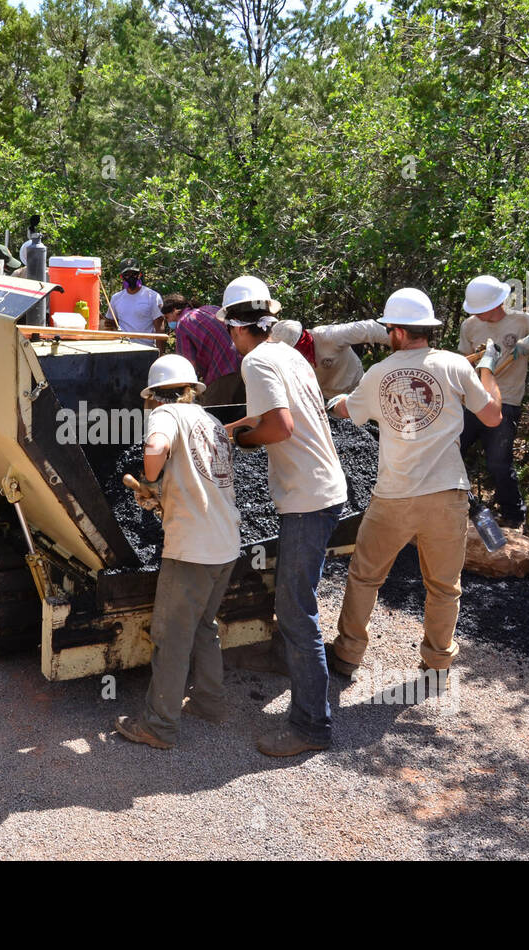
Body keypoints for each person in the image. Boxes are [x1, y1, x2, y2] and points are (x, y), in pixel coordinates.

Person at [326, 288, 503, 682]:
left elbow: (347, 411)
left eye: (390, 328)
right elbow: (492, 416)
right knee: (443, 586)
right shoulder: (456, 366)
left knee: (365, 576)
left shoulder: (379, 374)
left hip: (394, 496)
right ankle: (437, 664)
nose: (389, 333)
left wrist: (335, 401)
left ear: (400, 332)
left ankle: (347, 655)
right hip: (447, 495)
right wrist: (487, 368)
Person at [221, 275, 349, 757]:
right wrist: (224, 426)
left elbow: (278, 426)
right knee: (297, 598)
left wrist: (238, 440)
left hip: (307, 498)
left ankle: (310, 726)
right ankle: (284, 657)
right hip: (324, 488)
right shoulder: (289, 354)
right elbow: (283, 415)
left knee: (296, 609)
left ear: (236, 328)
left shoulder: (255, 362)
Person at [113, 356, 241, 750]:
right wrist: (163, 489)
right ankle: (210, 703)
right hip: (227, 545)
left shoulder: (166, 414)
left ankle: (160, 726)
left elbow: (156, 447)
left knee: (170, 636)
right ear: (191, 389)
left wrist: (150, 476)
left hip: (192, 550)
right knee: (205, 625)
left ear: (155, 396)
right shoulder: (211, 422)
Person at [457, 274, 529, 528]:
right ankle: (459, 507)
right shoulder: (470, 326)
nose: (478, 315)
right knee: (450, 453)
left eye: (481, 309)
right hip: (472, 400)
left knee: (498, 463)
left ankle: (513, 517)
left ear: (496, 303)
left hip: (505, 402)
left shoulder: (522, 321)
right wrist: (479, 360)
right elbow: (462, 361)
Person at [270, 317, 391, 400]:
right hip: (328, 402)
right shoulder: (285, 360)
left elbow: (368, 328)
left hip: (359, 388)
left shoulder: (328, 335)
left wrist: (400, 342)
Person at [173, 295, 243, 404]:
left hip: (222, 370)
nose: (169, 322)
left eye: (167, 318)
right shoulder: (211, 308)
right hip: (244, 363)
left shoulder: (183, 322)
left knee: (213, 415)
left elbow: (187, 364)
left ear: (175, 311)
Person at [107, 259, 163, 336]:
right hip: (122, 346)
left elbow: (160, 328)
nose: (131, 277)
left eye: (134, 274)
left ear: (139, 275)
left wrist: (160, 348)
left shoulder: (153, 297)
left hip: (146, 346)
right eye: (127, 274)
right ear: (121, 277)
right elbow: (110, 324)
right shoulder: (116, 298)